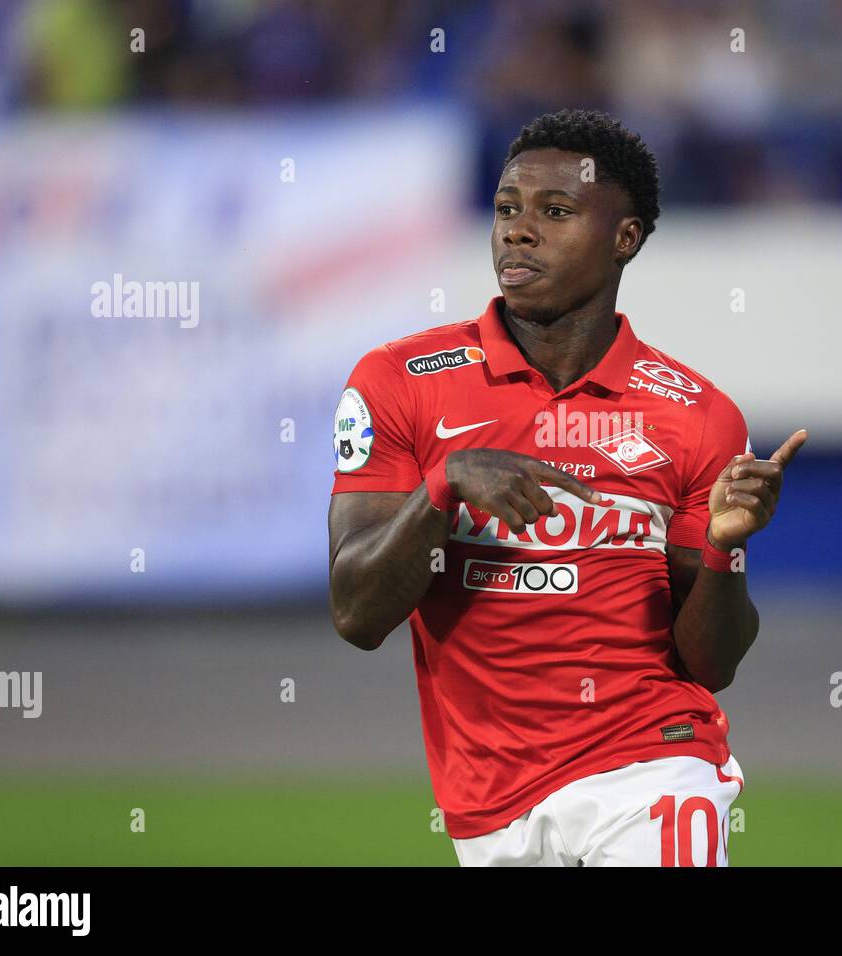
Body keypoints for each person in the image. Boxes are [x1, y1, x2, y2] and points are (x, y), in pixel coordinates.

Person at [327, 108, 807, 866]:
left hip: (653, 768)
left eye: (555, 213)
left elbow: (711, 664)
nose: (519, 231)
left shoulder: (696, 416)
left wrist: (721, 550)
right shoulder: (398, 383)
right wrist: (444, 486)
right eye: (507, 209)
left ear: (625, 239)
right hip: (488, 802)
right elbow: (356, 612)